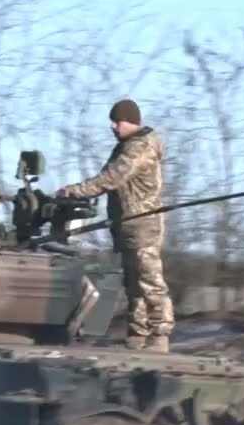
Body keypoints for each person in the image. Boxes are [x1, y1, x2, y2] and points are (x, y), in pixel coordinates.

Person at [55, 98, 174, 353]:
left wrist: (74, 191)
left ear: (130, 122)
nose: (112, 126)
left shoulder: (139, 148)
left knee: (149, 280)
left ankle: (160, 333)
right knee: (133, 283)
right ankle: (137, 333)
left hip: (143, 224)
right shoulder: (125, 146)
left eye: (117, 121)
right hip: (128, 225)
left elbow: (110, 178)